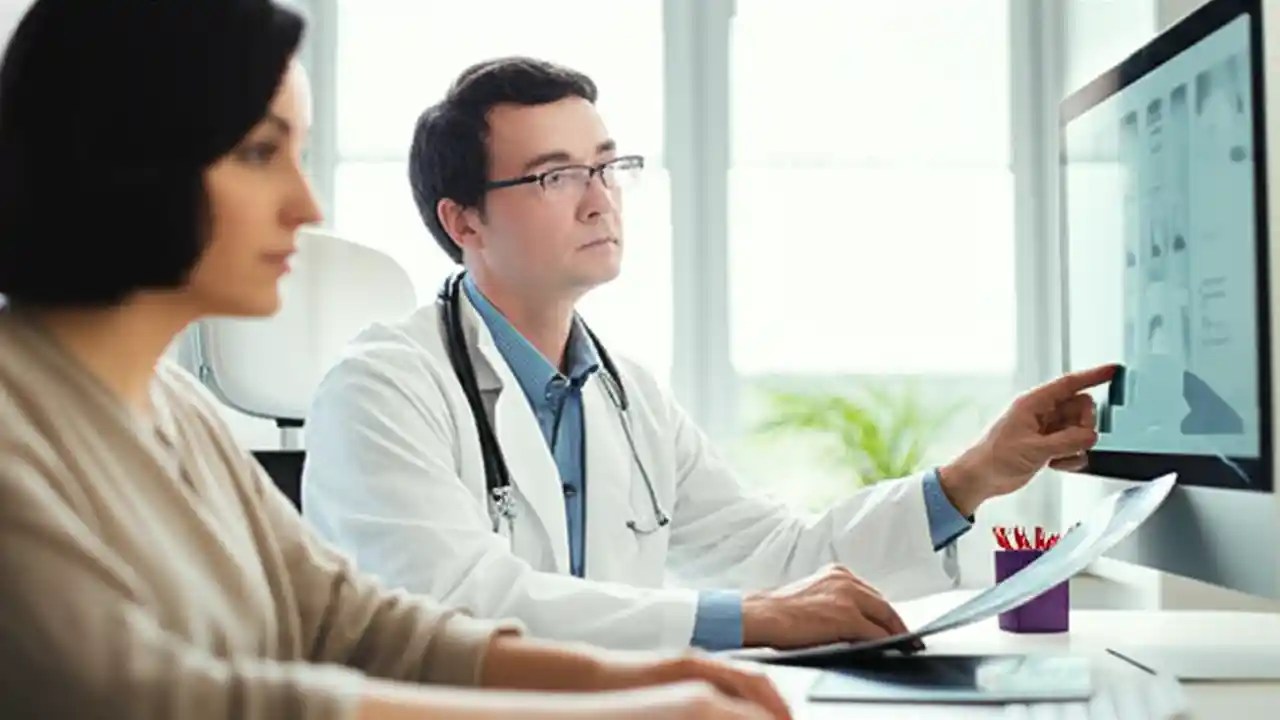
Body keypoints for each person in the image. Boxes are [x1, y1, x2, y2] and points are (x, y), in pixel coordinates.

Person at [0, 4, 791, 719]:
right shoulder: (16, 424)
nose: (306, 207)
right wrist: (620, 713)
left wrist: (643, 681)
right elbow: (145, 699)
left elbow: (352, 622)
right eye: (258, 153)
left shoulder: (178, 413)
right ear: (123, 157)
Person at [302, 56, 1114, 653]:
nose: (599, 198)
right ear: (463, 222)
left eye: (607, 166)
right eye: (555, 178)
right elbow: (454, 605)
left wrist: (975, 474)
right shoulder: (382, 387)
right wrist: (747, 618)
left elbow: (780, 557)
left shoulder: (628, 395)